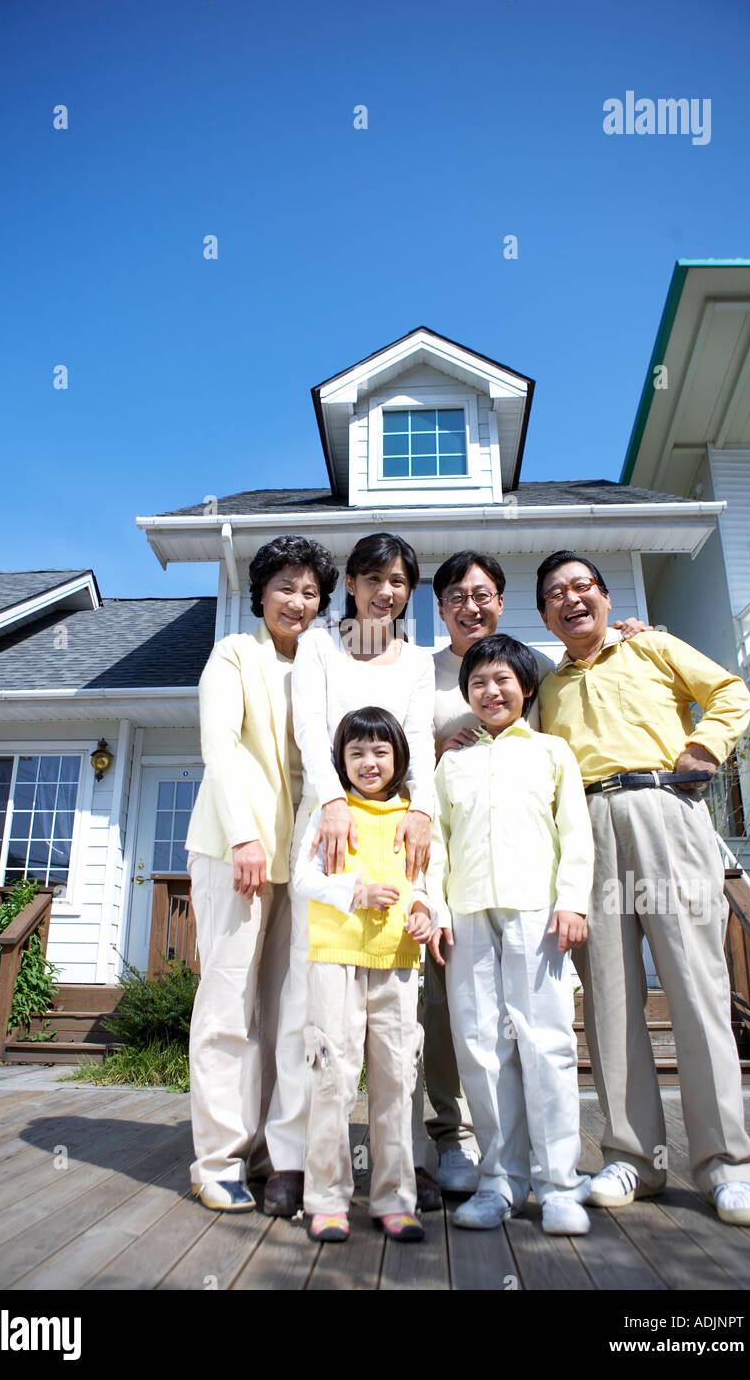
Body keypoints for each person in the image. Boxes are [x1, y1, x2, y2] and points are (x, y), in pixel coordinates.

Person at [536, 550, 750, 1227]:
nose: (571, 598)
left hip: (665, 810)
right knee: (609, 998)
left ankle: (728, 1166)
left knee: (695, 989)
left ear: (604, 599)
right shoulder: (547, 690)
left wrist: (706, 748)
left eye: (582, 586)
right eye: (555, 594)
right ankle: (633, 1158)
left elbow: (729, 691)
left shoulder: (654, 645)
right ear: (547, 616)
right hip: (587, 830)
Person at [414, 549, 651, 1204]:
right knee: (468, 1034)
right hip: (464, 900)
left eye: (484, 592)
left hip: (533, 896)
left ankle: (552, 1174)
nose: (472, 604)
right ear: (441, 608)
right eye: (457, 595)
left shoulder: (544, 712)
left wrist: (630, 634)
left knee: (542, 1034)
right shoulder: (432, 704)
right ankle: (477, 1159)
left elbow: (574, 828)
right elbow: (426, 818)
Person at [265, 532, 435, 1218]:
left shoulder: (418, 660)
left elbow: (417, 737)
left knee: (392, 1018)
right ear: (354, 586)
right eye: (372, 579)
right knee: (310, 1006)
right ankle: (292, 1159)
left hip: (394, 816)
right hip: (328, 816)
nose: (384, 591)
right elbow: (311, 726)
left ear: (407, 589)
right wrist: (332, 799)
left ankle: (397, 1180)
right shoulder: (319, 647)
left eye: (397, 580)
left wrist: (421, 808)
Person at [186, 535, 338, 1212]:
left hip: (298, 861)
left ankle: (274, 1152)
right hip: (234, 850)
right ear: (261, 593)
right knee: (228, 1004)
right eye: (286, 587)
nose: (298, 602)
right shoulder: (234, 654)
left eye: (310, 592)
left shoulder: (322, 662)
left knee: (285, 1010)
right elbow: (218, 747)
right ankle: (218, 1158)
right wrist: (246, 835)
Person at [426, 634, 595, 1236]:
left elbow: (576, 835)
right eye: (477, 683)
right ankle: (499, 1180)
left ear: (525, 687)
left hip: (538, 912)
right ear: (466, 694)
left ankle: (558, 1185)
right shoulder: (453, 762)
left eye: (502, 681)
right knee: (479, 1044)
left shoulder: (552, 752)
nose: (490, 691)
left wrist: (572, 902)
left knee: (545, 1042)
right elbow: (438, 845)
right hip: (468, 914)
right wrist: (439, 911)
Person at [294, 708, 432, 1242]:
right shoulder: (332, 812)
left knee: (397, 1081)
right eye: (356, 752)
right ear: (341, 761)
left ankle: (395, 1199)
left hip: (398, 962)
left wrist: (425, 913)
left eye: (380, 751)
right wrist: (355, 891)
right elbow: (303, 877)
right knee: (333, 1079)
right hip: (336, 959)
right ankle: (326, 1199)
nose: (369, 762)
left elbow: (426, 882)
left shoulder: (415, 817)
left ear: (398, 757)